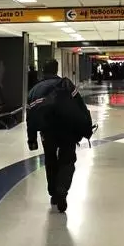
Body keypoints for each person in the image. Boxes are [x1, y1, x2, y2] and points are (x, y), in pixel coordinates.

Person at [27, 59, 92, 213]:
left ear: (43, 70)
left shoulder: (34, 90)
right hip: (68, 129)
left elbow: (30, 116)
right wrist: (86, 126)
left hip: (47, 131)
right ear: (57, 70)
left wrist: (32, 139)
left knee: (50, 160)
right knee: (68, 159)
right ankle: (62, 189)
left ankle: (53, 193)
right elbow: (80, 106)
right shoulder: (66, 84)